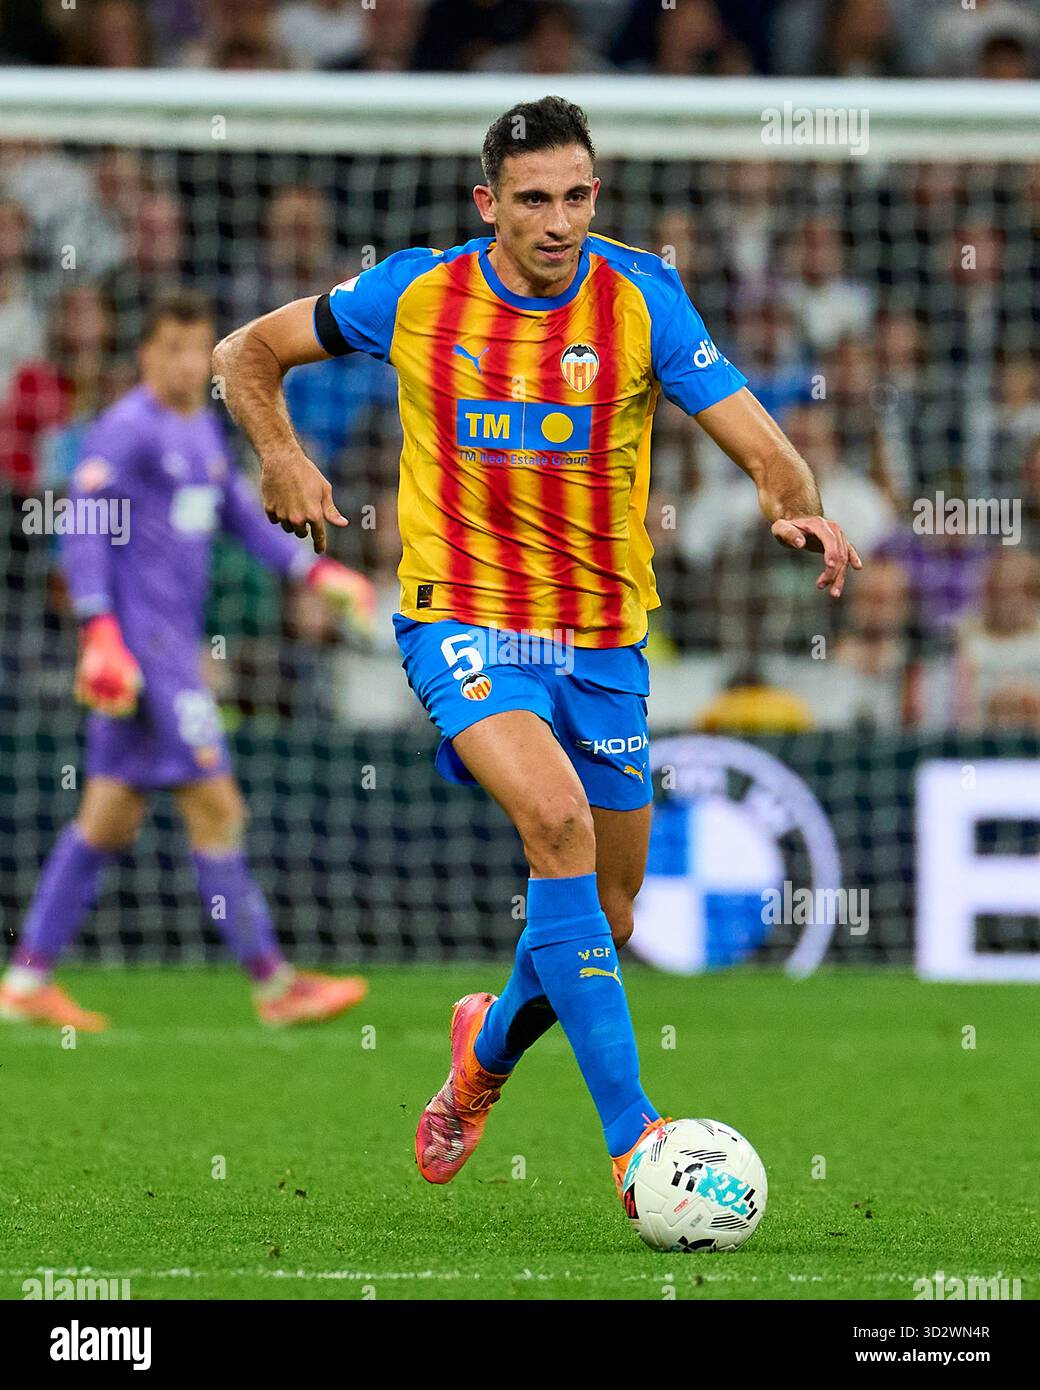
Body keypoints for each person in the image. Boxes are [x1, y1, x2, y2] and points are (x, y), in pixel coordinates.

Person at [212, 96, 860, 1201]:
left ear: (595, 195)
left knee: (605, 915)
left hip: (603, 639)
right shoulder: (415, 292)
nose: (558, 221)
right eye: (533, 200)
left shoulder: (638, 298)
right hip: (461, 622)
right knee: (552, 820)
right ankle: (638, 1140)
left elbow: (759, 439)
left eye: (576, 196)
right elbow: (245, 355)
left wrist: (791, 499)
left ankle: (484, 1052)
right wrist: (276, 455)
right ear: (488, 204)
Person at [0, 289, 374, 1032]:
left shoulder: (202, 427)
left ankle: (26, 978)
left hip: (162, 651)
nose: (182, 363)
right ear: (145, 354)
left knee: (105, 820)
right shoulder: (125, 430)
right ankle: (274, 985)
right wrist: (99, 632)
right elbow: (82, 529)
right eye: (169, 347)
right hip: (149, 656)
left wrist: (316, 572)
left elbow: (240, 512)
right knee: (218, 807)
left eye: (195, 349)